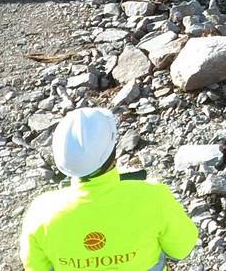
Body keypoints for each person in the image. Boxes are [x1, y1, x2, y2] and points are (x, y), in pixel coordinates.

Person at [21, 108, 199, 270]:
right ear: (113, 151)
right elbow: (182, 249)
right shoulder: (153, 196)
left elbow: (36, 267)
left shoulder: (41, 211)